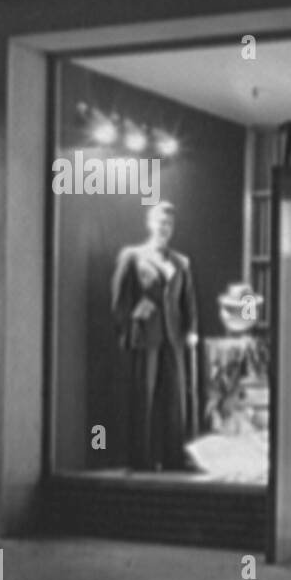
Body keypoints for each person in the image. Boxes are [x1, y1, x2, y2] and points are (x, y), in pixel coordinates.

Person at [110, 201, 199, 470]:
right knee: (143, 397)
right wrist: (126, 331)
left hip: (174, 337)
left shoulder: (181, 262)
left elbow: (189, 301)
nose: (164, 228)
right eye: (160, 223)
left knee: (175, 398)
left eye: (169, 224)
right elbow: (120, 299)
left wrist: (192, 330)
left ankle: (174, 457)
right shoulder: (133, 256)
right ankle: (141, 458)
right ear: (150, 223)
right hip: (145, 335)